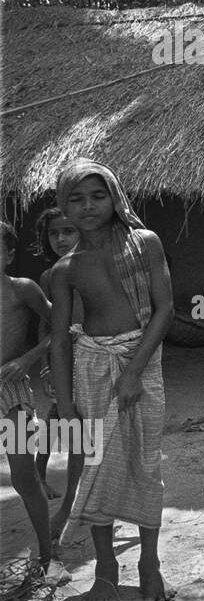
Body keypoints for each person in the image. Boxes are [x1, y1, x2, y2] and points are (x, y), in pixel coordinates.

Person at [48, 159, 172, 601]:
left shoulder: (145, 244)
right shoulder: (67, 269)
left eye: (98, 195)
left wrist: (135, 371)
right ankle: (105, 571)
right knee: (96, 470)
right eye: (76, 199)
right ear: (63, 205)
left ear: (115, 196)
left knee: (145, 464)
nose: (88, 207)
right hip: (93, 369)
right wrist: (65, 404)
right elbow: (60, 341)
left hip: (142, 363)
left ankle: (149, 564)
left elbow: (164, 310)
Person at [1, 220, 54, 574]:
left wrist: (28, 359)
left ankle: (47, 554)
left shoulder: (22, 289)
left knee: (23, 476)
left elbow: (61, 327)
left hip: (12, 390)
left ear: (8, 254)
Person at [34, 207, 82, 506]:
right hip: (61, 358)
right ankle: (38, 476)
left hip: (93, 357)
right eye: (54, 233)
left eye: (68, 231)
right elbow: (45, 325)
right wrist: (45, 366)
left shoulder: (95, 268)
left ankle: (81, 489)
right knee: (58, 418)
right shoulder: (48, 276)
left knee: (73, 421)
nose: (61, 239)